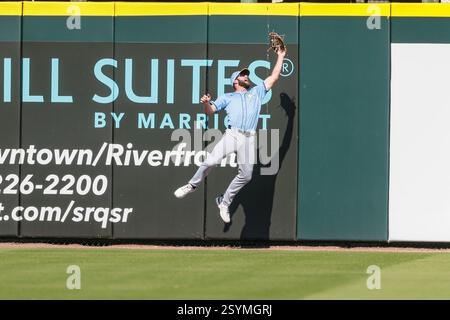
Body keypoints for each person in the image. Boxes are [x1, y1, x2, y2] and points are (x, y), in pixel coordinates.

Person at [174, 46, 287, 224]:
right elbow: (211, 111)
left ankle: (224, 202)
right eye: (242, 75)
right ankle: (192, 185)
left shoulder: (257, 92)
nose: (246, 76)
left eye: (246, 74)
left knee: (247, 175)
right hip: (232, 135)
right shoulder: (228, 96)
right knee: (209, 161)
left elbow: (274, 77)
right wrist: (205, 103)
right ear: (235, 80)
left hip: (249, 137)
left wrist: (281, 56)